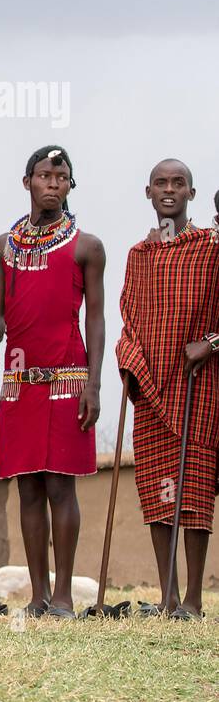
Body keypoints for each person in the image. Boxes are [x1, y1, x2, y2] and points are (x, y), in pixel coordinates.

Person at [0, 146, 105, 618]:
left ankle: (65, 596)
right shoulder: (5, 246)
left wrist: (94, 384)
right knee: (27, 487)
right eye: (44, 176)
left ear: (70, 185)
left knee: (60, 487)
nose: (52, 183)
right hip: (19, 380)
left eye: (61, 177)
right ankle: (38, 596)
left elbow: (96, 319)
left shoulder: (87, 246)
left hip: (68, 377)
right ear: (27, 181)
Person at [116, 159, 219, 619]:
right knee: (158, 491)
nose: (169, 190)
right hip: (151, 387)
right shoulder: (138, 255)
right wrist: (129, 359)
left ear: (192, 195)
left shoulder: (212, 248)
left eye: (179, 183)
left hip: (200, 384)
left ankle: (194, 600)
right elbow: (129, 318)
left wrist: (211, 343)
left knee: (194, 489)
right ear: (148, 192)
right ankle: (167, 597)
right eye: (161, 183)